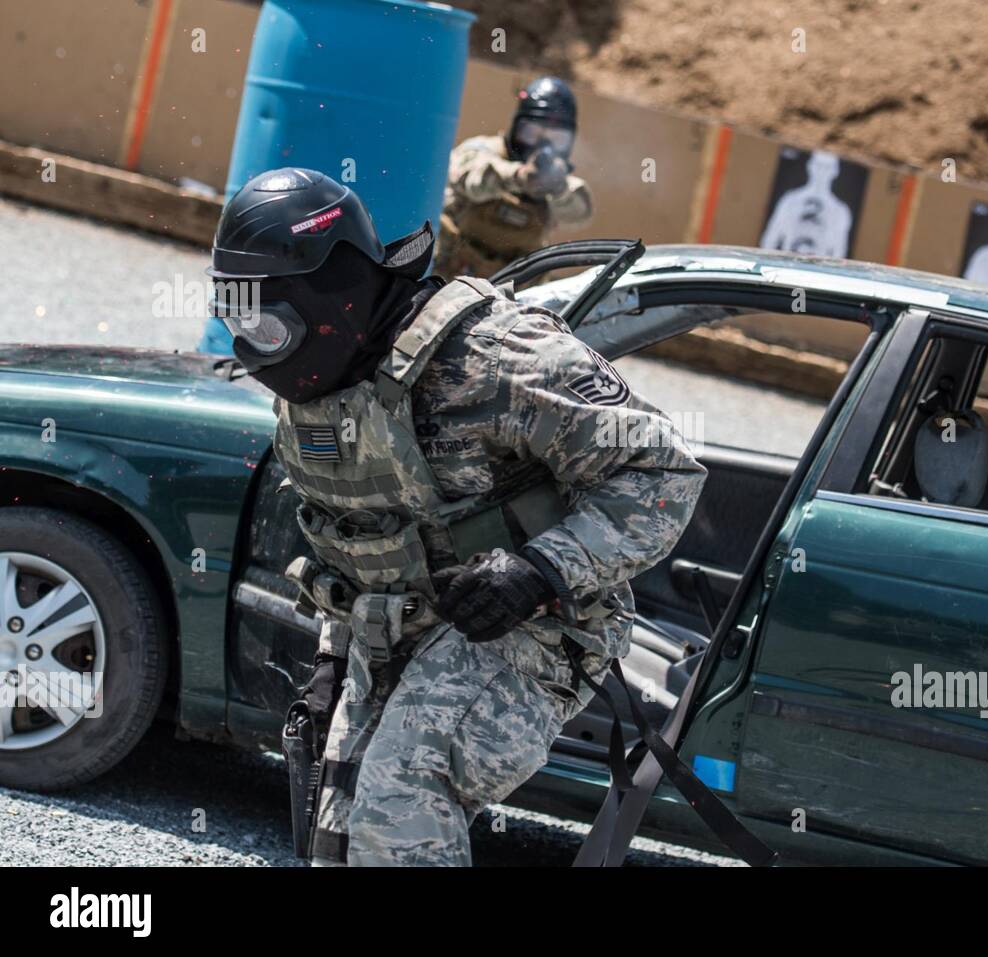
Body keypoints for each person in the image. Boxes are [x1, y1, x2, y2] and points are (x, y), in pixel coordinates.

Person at [208, 167, 704, 866]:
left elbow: (662, 473)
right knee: (336, 837)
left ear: (336, 294)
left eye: (264, 322)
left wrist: (540, 570)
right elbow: (350, 537)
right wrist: (329, 662)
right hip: (393, 629)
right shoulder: (324, 379)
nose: (251, 347)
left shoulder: (495, 355)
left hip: (537, 626)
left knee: (398, 797)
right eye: (236, 319)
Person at [434, 76, 593, 278]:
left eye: (556, 139)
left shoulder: (556, 181)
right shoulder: (483, 150)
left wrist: (558, 189)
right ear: (517, 127)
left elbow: (579, 213)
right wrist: (517, 176)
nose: (542, 144)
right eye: (532, 132)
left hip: (510, 295)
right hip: (448, 280)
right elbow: (471, 176)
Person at [759, 150, 853, 258]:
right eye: (818, 165)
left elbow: (839, 251)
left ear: (835, 171)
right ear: (810, 166)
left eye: (827, 167)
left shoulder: (840, 211)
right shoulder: (790, 200)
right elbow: (770, 238)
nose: (821, 171)